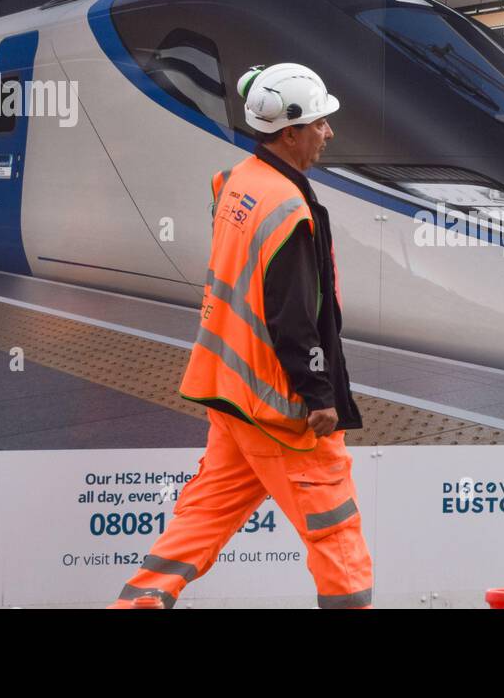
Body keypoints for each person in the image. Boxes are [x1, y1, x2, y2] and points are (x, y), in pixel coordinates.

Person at [109, 63, 373, 610]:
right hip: (281, 407)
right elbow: (295, 315)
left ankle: (140, 601)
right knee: (335, 531)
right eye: (320, 124)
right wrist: (318, 394)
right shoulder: (289, 209)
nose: (328, 134)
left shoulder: (235, 183)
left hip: (230, 389)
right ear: (290, 132)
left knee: (203, 517)